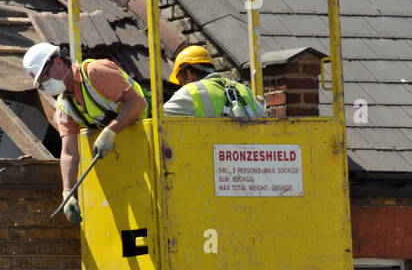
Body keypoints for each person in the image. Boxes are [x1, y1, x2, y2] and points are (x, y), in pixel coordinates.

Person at [23, 42, 149, 225]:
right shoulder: (64, 107)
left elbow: (138, 103)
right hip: (127, 159)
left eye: (45, 76)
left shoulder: (95, 72)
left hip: (152, 139)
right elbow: (68, 153)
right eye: (42, 84)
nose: (46, 85)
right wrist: (68, 192)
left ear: (58, 62)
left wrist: (110, 131)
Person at [163, 45, 266, 118]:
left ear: (189, 74)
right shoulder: (244, 90)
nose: (181, 85)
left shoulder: (190, 92)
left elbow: (157, 118)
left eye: (180, 80)